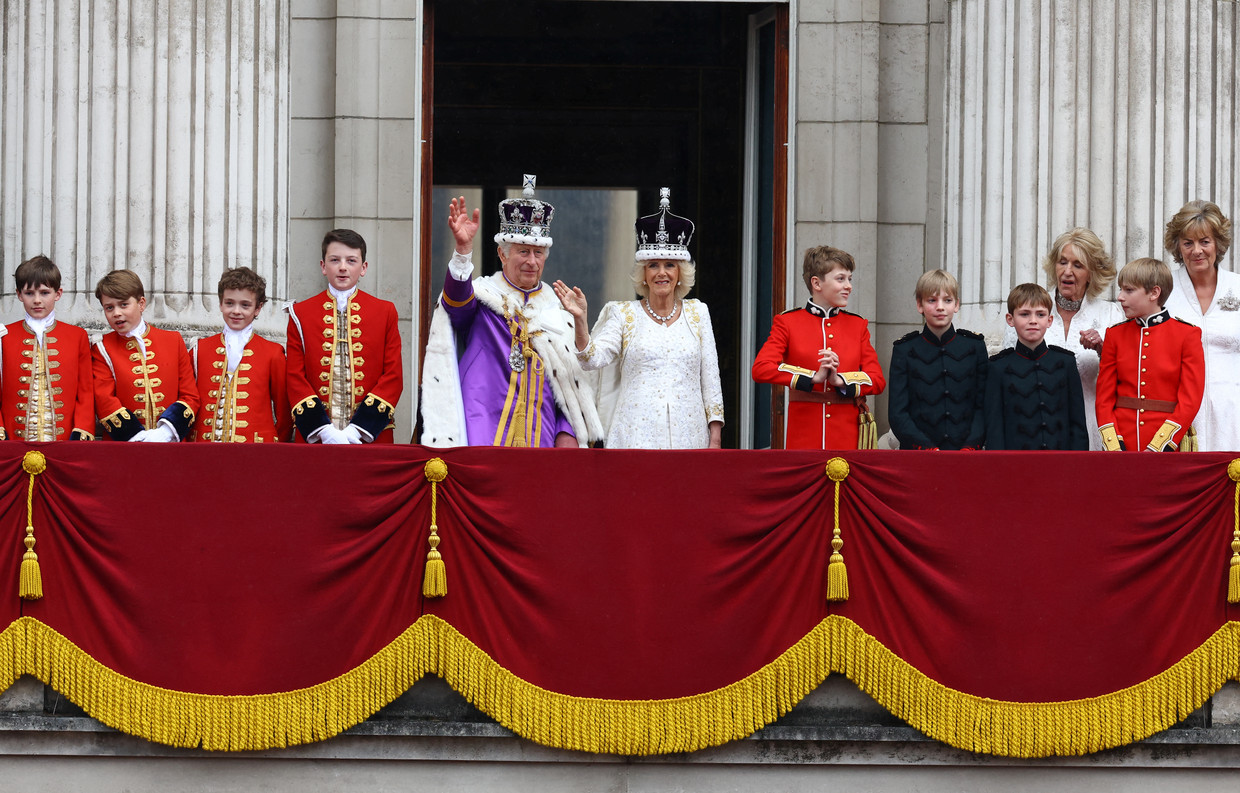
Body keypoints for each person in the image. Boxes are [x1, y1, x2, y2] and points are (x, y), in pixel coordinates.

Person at [420, 174, 603, 448]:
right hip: (481, 426)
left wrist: (568, 433)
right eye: (523, 251)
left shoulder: (558, 311)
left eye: (538, 253)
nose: (532, 261)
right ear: (503, 254)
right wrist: (463, 251)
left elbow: (571, 384)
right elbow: (456, 305)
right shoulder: (483, 297)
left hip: (541, 435)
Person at [553, 188, 724, 449]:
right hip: (634, 436)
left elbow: (711, 380)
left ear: (680, 272)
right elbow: (591, 360)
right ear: (643, 273)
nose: (661, 273)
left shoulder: (698, 313)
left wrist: (715, 438)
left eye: (669, 265)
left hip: (689, 437)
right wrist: (580, 320)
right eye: (653, 265)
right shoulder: (624, 314)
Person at [751, 245, 885, 450]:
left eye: (850, 279)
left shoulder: (858, 325)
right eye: (840, 279)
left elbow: (877, 380)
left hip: (847, 438)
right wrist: (812, 377)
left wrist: (840, 380)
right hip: (803, 436)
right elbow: (761, 368)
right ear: (816, 283)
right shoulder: (788, 322)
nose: (848, 286)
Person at [1001, 228, 1122, 450]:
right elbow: (1008, 374)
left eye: (1078, 265)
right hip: (1034, 429)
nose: (1067, 272)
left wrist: (1103, 350)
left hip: (1092, 426)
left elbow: (1128, 378)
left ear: (1092, 273)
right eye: (1062, 262)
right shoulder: (1031, 311)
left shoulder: (1110, 314)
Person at [285, 229, 403, 444]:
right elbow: (294, 377)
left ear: (363, 268)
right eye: (334, 260)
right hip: (317, 438)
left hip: (371, 437)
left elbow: (393, 376)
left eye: (351, 260)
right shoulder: (300, 313)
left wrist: (359, 429)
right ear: (323, 266)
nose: (342, 267)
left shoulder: (385, 311)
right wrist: (322, 430)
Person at [1096, 258, 1205, 452]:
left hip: (1166, 445)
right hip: (1122, 443)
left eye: (1129, 290)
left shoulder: (1187, 334)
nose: (1120, 297)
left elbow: (1190, 400)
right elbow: (1104, 399)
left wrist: (1160, 446)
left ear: (1154, 293)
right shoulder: (1114, 335)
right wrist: (1114, 445)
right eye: (1121, 289)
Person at [1162, 200, 1239, 451]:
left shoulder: (1238, 287)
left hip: (1232, 412)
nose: (1197, 251)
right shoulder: (1162, 290)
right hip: (1177, 413)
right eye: (1188, 243)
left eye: (1205, 242)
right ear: (1178, 246)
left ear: (1218, 244)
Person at [92, 270, 198, 441]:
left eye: (123, 304)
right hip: (123, 446)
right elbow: (104, 399)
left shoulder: (173, 340)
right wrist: (137, 436)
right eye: (109, 307)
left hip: (170, 444)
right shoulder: (102, 347)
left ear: (141, 304)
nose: (116, 313)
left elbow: (190, 396)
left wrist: (165, 433)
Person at [888, 269, 987, 450]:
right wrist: (927, 448)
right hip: (919, 454)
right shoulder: (904, 350)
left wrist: (970, 447)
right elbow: (898, 413)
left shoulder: (975, 347)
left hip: (966, 453)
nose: (940, 307)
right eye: (932, 300)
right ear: (920, 305)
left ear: (956, 304)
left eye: (947, 300)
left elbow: (983, 406)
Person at [0, 255, 94, 440]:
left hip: (64, 441)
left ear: (58, 294)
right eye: (29, 293)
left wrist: (82, 429)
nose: (37, 300)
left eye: (44, 293)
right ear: (19, 295)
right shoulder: (4, 336)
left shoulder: (77, 336)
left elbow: (85, 391)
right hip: (13, 441)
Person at [194, 268, 293, 443]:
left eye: (245, 305)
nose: (236, 311)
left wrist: (275, 448)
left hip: (256, 451)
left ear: (258, 308)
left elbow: (284, 412)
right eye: (229, 303)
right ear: (220, 304)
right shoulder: (199, 349)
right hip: (203, 449)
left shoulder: (273, 352)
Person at [984, 283, 1087, 450]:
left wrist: (1077, 462)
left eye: (1040, 314)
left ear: (1049, 320)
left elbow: (1078, 424)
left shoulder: (1065, 363)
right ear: (1010, 319)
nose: (1033, 321)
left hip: (1061, 460)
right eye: (1024, 314)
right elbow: (994, 427)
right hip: (1015, 460)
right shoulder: (998, 367)